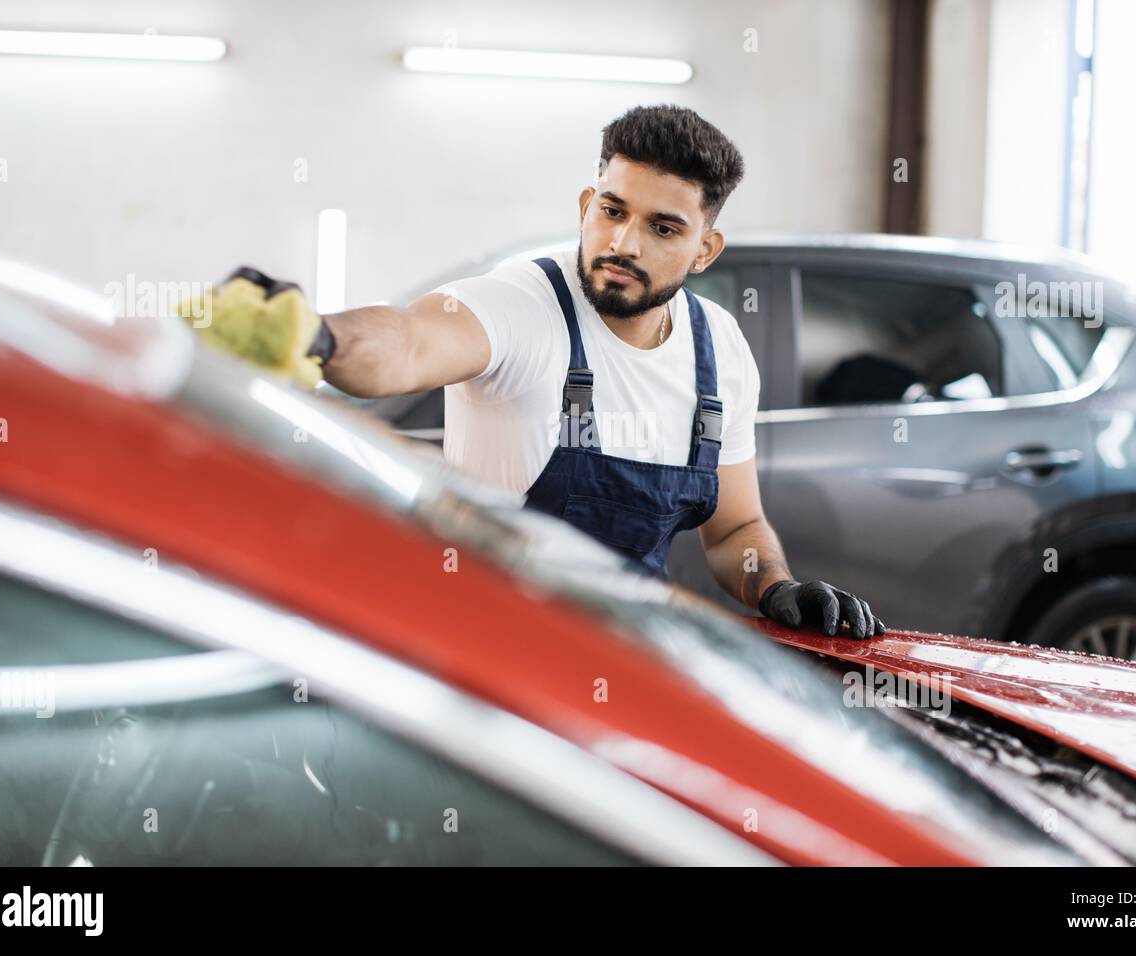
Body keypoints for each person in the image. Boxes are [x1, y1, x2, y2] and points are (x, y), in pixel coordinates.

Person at [194, 105, 885, 638]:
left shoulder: (721, 351)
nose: (623, 242)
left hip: (631, 654)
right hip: (481, 650)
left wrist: (777, 587)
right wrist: (314, 334)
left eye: (663, 229)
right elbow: (406, 342)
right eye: (612, 211)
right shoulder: (524, 302)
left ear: (705, 249)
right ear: (588, 206)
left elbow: (734, 531)